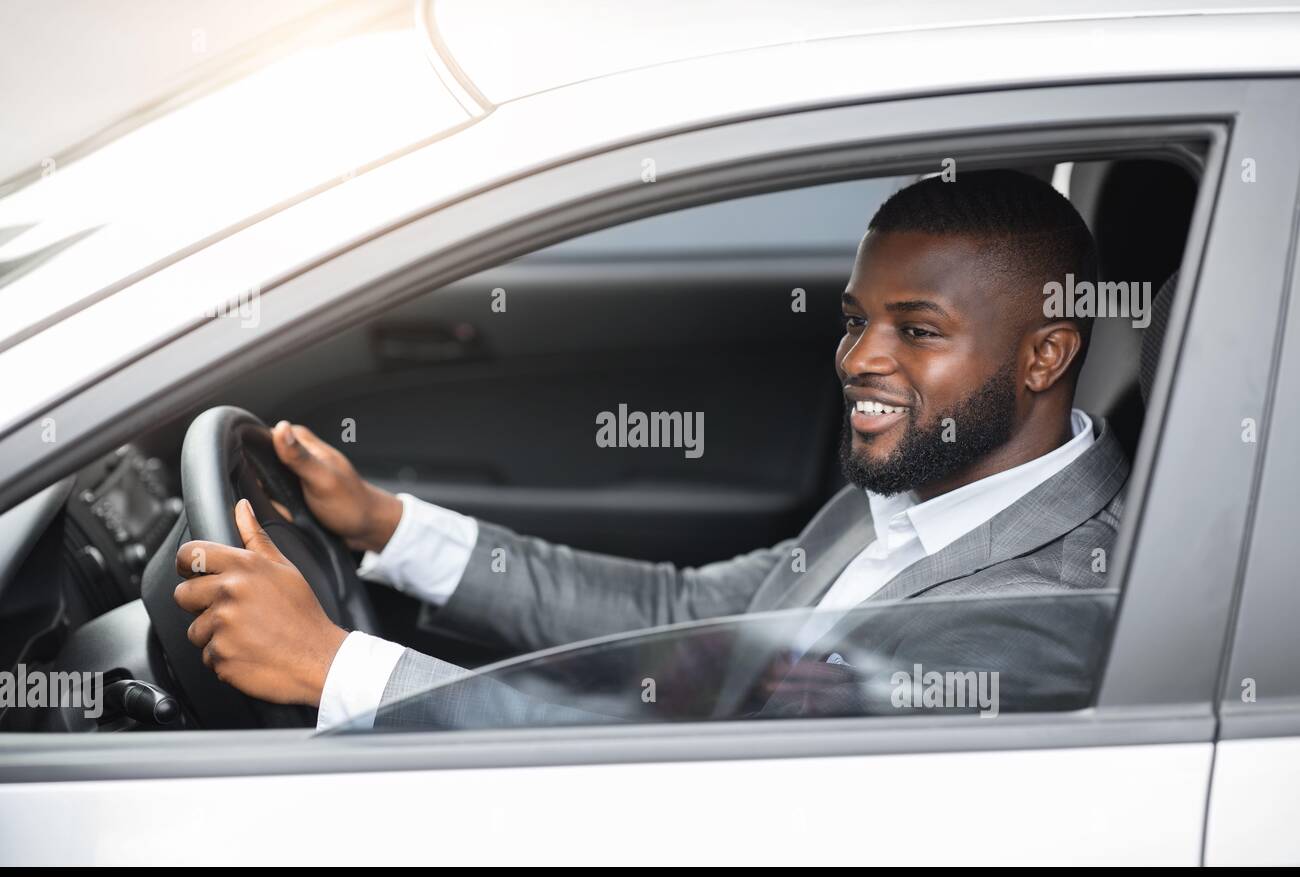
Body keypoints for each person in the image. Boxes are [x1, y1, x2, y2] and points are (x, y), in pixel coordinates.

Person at [173, 170, 1128, 729]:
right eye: (854, 321)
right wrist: (390, 525)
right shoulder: (924, 492)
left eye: (916, 331)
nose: (857, 359)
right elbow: (678, 616)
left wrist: (336, 668)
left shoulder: (1044, 612)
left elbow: (711, 797)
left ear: (1046, 354)